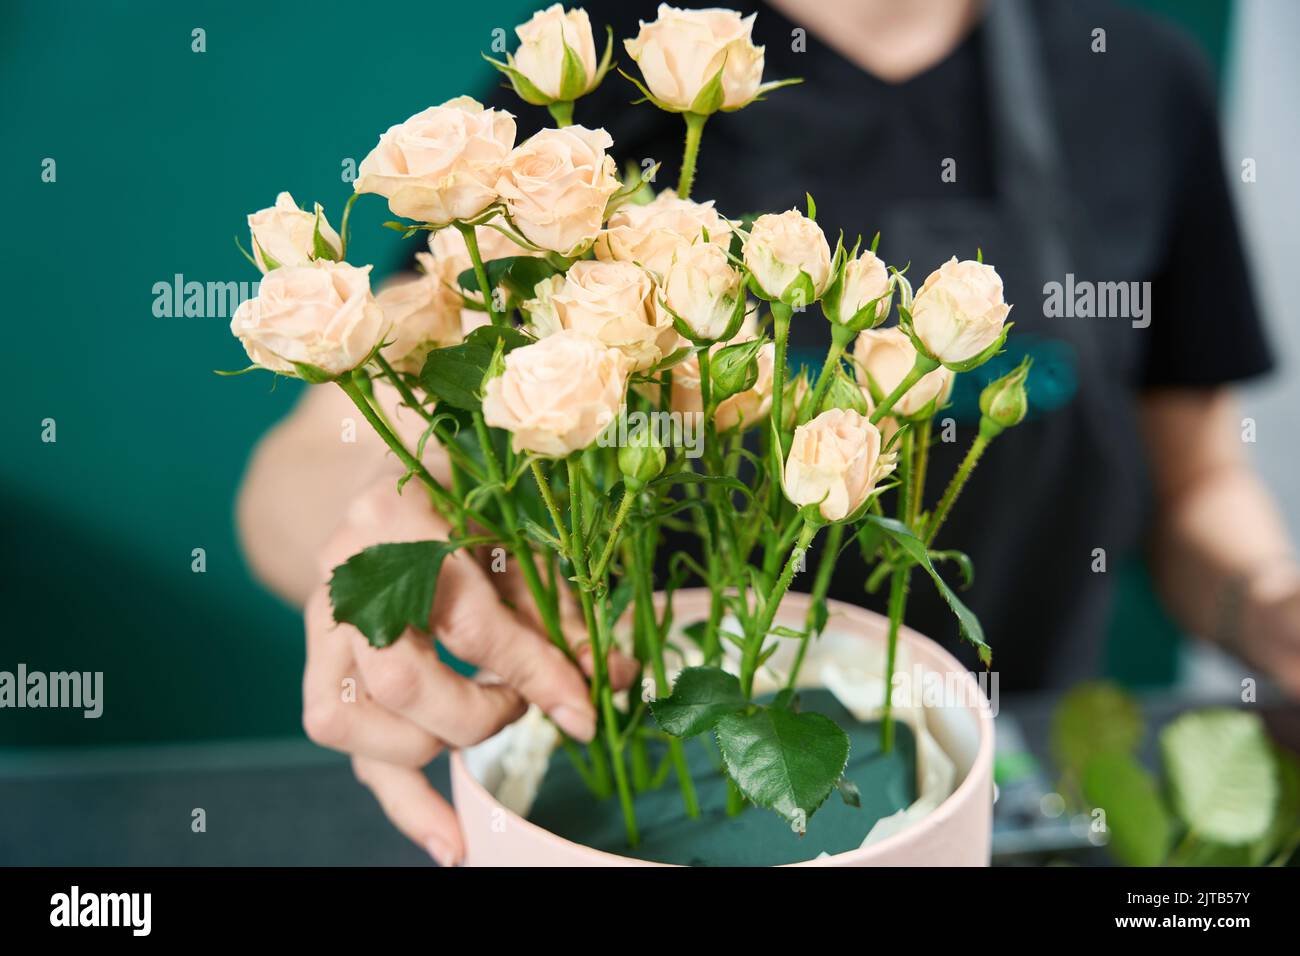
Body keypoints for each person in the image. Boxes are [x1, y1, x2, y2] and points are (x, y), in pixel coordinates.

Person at [236, 0, 1300, 864]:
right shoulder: (587, 105)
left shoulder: (1136, 80)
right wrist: (391, 555)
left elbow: (1197, 478)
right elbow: (301, 468)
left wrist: (1266, 604)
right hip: (626, 766)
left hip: (999, 776)